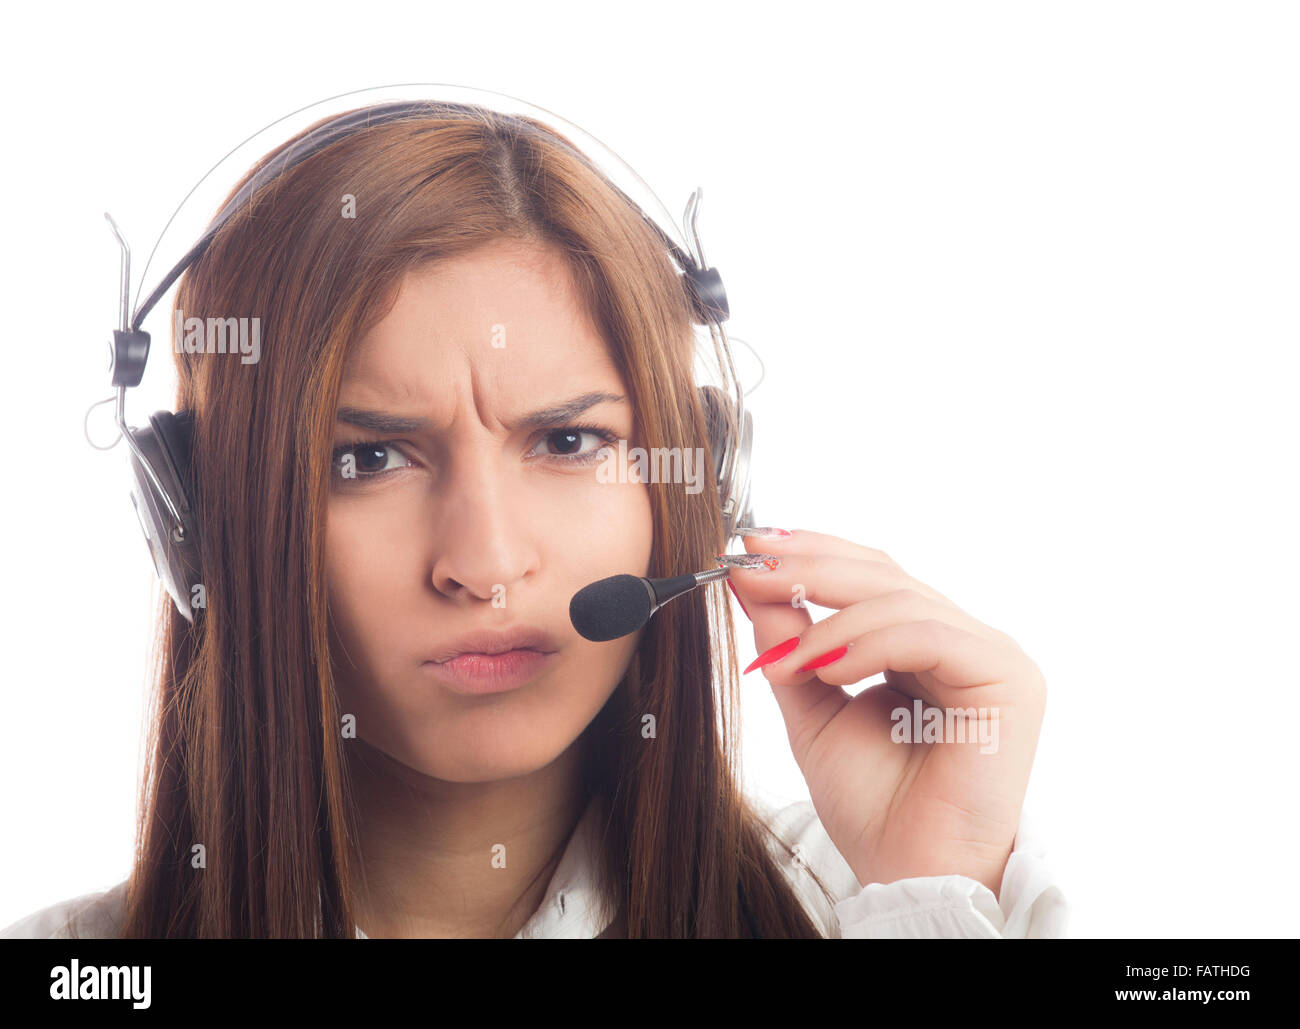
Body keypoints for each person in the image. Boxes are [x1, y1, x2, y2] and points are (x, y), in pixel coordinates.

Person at [1, 101, 1067, 938]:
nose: (486, 561)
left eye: (567, 442)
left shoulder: (894, 911)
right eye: (367, 458)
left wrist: (932, 882)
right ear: (195, 524)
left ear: (696, 487)